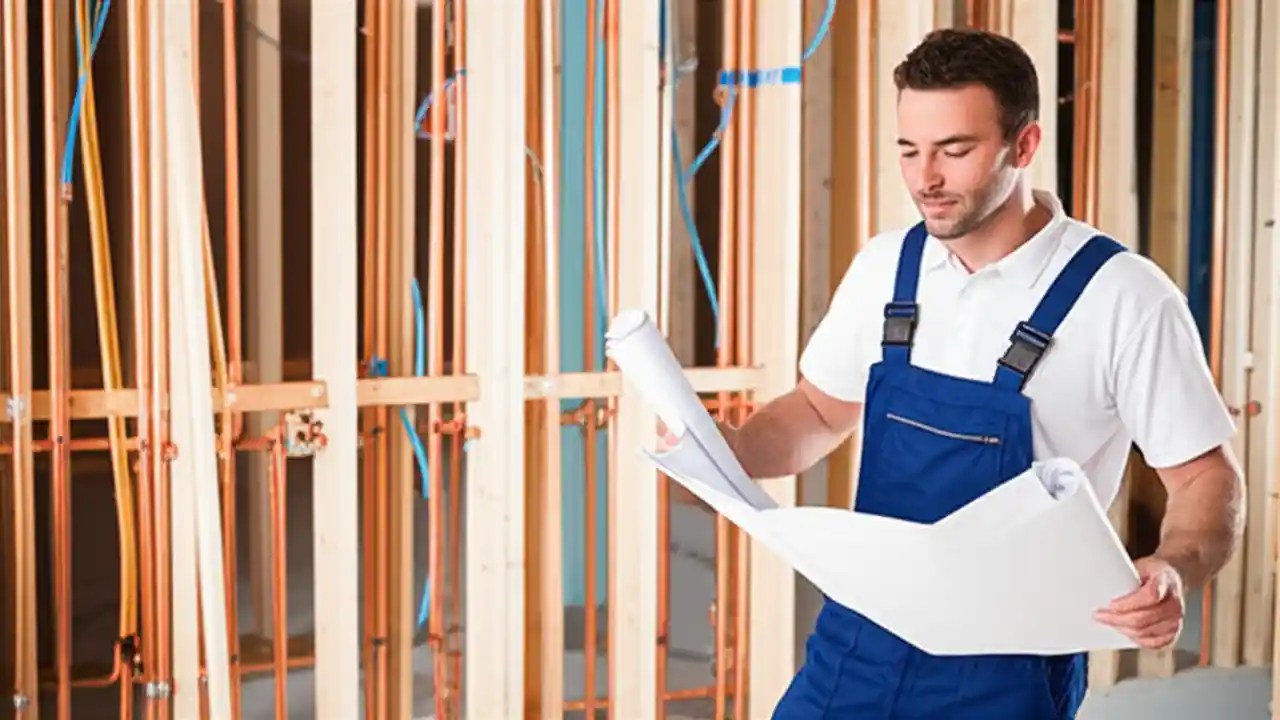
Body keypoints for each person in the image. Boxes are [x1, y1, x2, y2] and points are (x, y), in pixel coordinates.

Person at [714, 28, 1244, 718]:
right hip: (858, 642)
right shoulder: (887, 265)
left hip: (1007, 670)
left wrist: (1174, 565)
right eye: (909, 150)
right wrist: (726, 453)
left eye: (954, 151)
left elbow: (1208, 477)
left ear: (1023, 146)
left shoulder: (1124, 297)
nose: (924, 178)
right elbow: (818, 411)